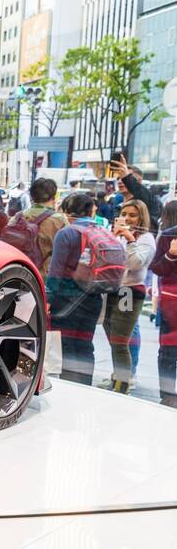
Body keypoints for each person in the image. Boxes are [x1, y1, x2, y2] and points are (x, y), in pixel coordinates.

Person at [47, 192, 123, 385]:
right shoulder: (102, 230)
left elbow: (55, 273)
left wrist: (48, 297)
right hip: (94, 298)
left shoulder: (67, 233)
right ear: (91, 211)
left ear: (65, 211)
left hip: (66, 299)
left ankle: (71, 388)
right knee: (85, 345)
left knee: (66, 345)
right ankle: (86, 387)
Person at [100, 199, 156, 392]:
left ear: (142, 217)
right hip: (112, 289)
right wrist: (113, 237)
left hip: (129, 291)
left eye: (133, 215)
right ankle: (118, 378)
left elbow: (134, 264)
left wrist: (130, 239)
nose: (127, 219)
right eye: (124, 214)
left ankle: (122, 385)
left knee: (120, 340)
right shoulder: (118, 235)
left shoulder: (146, 238)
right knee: (111, 336)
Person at [2, 177, 67, 275]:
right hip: (43, 275)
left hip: (16, 272)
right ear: (53, 198)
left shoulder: (17, 216)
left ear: (31, 197)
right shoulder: (59, 220)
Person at [148, 199, 177, 407]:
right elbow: (157, 267)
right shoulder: (170, 235)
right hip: (172, 304)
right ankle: (167, 397)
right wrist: (171, 255)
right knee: (168, 353)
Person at [110, 152, 161, 231]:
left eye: (123, 178)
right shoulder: (117, 206)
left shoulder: (149, 202)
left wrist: (126, 176)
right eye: (118, 178)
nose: (120, 181)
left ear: (139, 181)